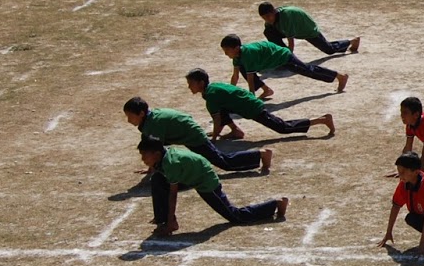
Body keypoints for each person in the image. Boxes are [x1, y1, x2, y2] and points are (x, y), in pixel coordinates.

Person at [137, 136, 286, 236]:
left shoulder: (171, 164)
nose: (143, 159)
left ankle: (276, 204)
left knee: (235, 216)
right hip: (190, 174)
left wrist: (171, 223)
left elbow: (173, 195)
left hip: (205, 181)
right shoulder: (163, 155)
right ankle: (161, 219)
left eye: (145, 155)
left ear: (156, 154)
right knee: (157, 179)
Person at [123, 95, 270, 174]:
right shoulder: (147, 122)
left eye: (130, 116)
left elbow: (157, 150)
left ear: (141, 113)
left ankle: (261, 155)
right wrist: (150, 168)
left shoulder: (153, 123)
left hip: (193, 136)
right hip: (181, 133)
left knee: (224, 163)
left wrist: (155, 170)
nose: (129, 121)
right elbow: (149, 147)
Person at [186, 68, 334, 140]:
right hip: (248, 103)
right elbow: (220, 114)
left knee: (282, 128)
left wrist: (214, 139)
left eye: (191, 84)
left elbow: (217, 120)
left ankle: (321, 120)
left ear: (201, 83)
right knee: (220, 109)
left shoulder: (211, 97)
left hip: (253, 108)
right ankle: (236, 131)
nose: (189, 87)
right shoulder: (212, 89)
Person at [221, 34, 347, 99]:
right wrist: (231, 93)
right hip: (272, 60)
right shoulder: (237, 57)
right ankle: (266, 90)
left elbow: (250, 79)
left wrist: (251, 98)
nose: (226, 54)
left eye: (227, 51)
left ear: (236, 48)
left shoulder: (246, 55)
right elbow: (235, 76)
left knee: (308, 70)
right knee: (243, 69)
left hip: (282, 56)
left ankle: (339, 76)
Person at [258, 1, 358, 57]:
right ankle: (281, 53)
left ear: (274, 12)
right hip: (292, 29)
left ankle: (351, 41)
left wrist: (289, 59)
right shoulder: (270, 20)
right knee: (269, 32)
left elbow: (291, 43)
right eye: (264, 18)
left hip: (306, 29)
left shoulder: (286, 17)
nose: (267, 20)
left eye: (268, 16)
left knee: (329, 50)